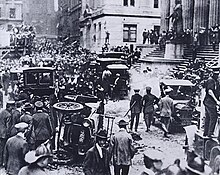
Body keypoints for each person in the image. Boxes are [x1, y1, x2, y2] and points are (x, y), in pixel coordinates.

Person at [203, 70, 220, 137]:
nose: (217, 75)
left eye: (217, 74)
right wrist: (217, 101)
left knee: (208, 117)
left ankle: (206, 133)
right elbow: (210, 92)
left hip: (210, 102)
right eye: (215, 74)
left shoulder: (216, 81)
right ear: (212, 74)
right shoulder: (211, 80)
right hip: (209, 102)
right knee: (213, 116)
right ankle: (210, 133)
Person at [0, 101, 14, 166]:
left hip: (0, 132)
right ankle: (3, 162)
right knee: (4, 148)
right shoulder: (8, 115)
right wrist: (9, 133)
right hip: (4, 134)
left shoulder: (1, 112)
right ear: (10, 107)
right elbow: (8, 126)